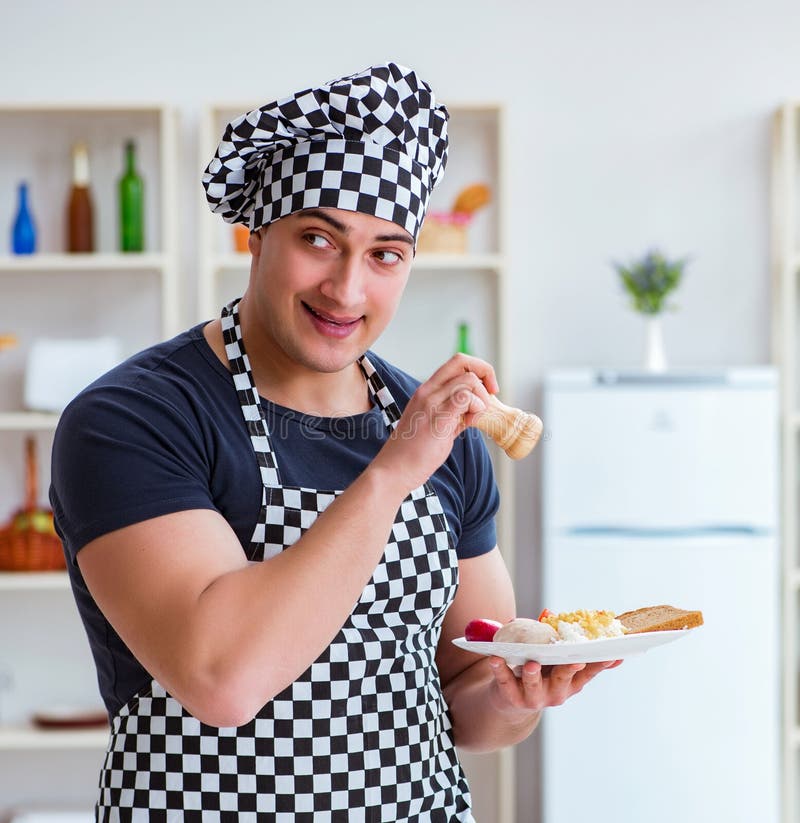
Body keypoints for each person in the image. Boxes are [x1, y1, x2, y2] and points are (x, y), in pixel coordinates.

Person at [50, 62, 616, 822]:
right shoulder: (134, 418)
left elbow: (467, 697)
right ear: (256, 236)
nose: (347, 289)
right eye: (318, 239)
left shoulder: (447, 435)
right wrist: (392, 471)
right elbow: (222, 679)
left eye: (385, 253)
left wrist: (519, 694)